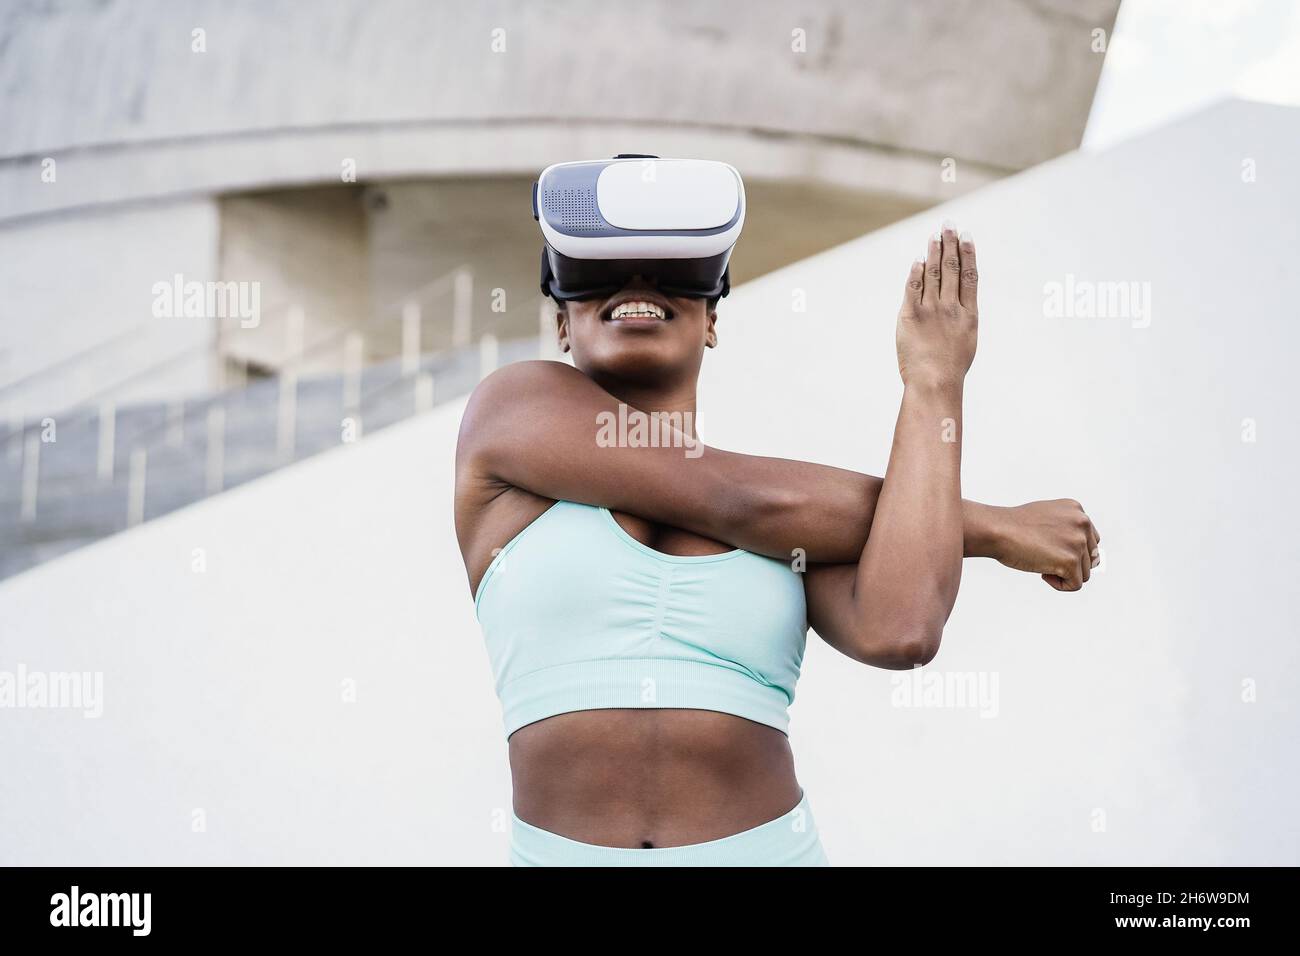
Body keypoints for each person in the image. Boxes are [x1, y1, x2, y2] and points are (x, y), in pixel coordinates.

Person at [454, 219, 1100, 866]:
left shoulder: (796, 521)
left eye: (677, 270)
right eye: (599, 271)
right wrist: (996, 526)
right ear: (562, 326)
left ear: (711, 319)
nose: (638, 281)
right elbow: (733, 494)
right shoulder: (508, 412)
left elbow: (901, 629)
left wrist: (934, 378)